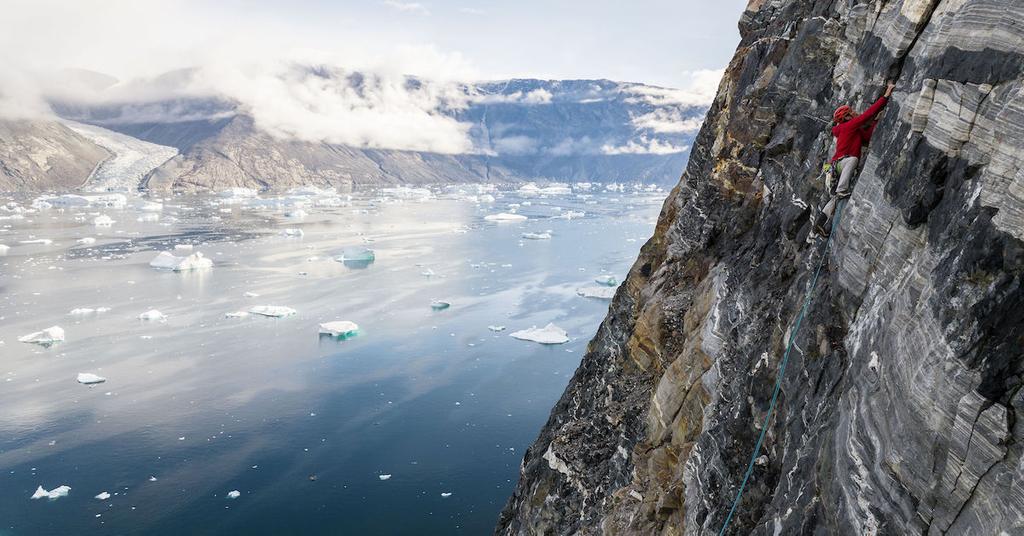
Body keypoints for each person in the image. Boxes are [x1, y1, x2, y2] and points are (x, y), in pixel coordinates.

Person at [814, 81, 896, 235]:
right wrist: (886, 95)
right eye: (851, 112)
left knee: (835, 199)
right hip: (840, 164)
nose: (855, 112)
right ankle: (842, 189)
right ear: (846, 117)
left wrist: (878, 122)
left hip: (833, 167)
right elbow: (868, 114)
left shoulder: (851, 131)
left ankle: (818, 224)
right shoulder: (849, 125)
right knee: (853, 160)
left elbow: (867, 136)